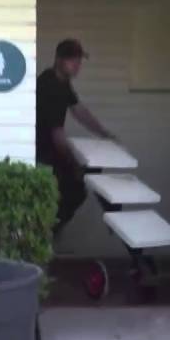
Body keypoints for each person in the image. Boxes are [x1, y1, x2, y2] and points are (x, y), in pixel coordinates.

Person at [36, 38, 116, 238]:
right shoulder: (50, 86)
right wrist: (73, 165)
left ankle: (48, 234)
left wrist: (103, 132)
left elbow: (79, 110)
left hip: (52, 150)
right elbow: (57, 134)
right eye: (73, 60)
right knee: (73, 191)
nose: (78, 65)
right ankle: (46, 235)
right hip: (43, 154)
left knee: (75, 190)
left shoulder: (62, 83)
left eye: (79, 60)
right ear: (59, 59)